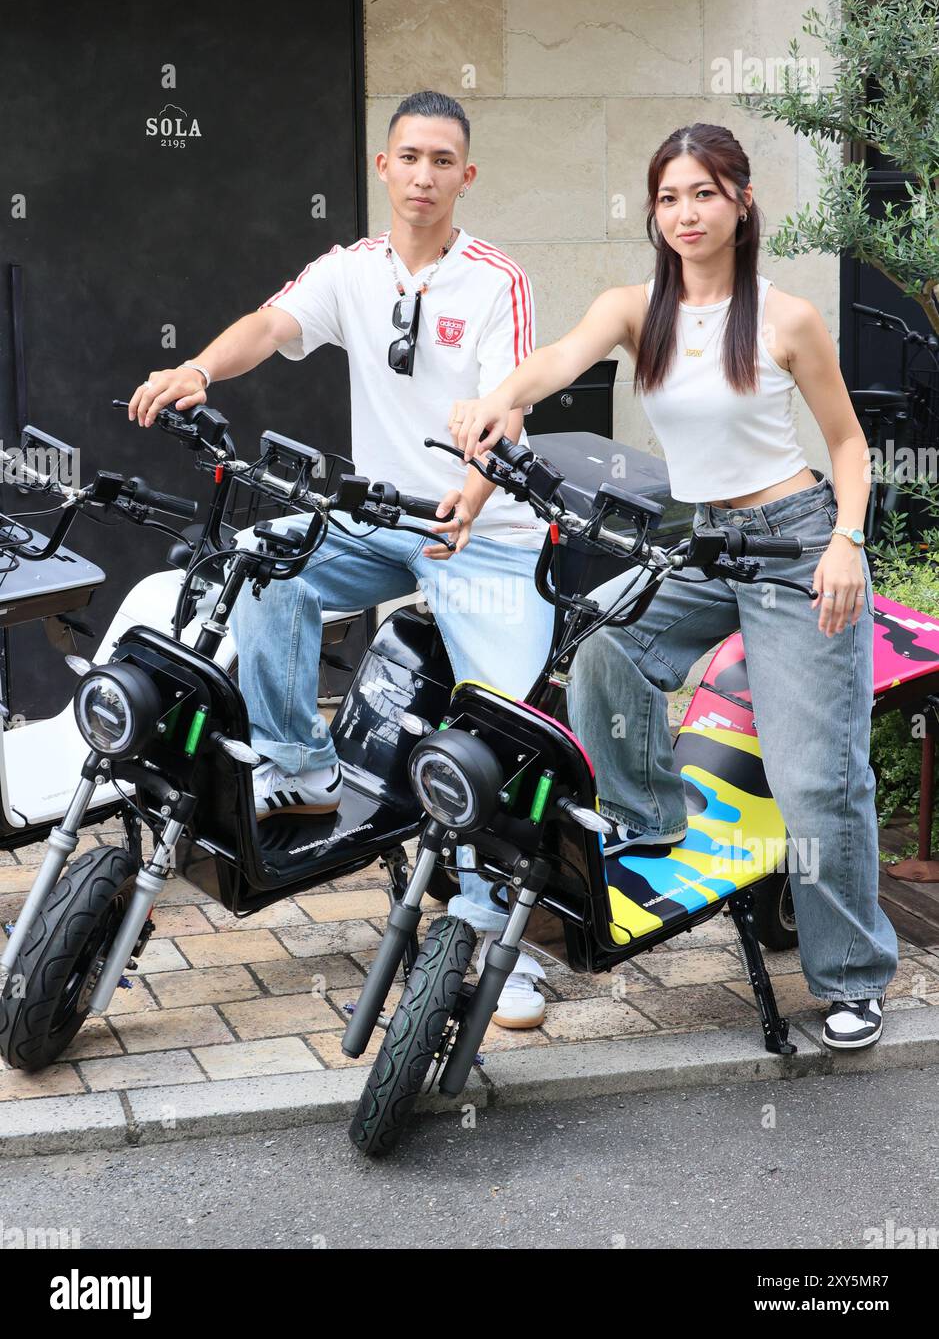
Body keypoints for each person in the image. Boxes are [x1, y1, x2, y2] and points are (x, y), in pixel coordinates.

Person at [447, 121, 898, 1051]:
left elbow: (848, 444)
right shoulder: (633, 307)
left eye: (703, 193)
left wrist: (846, 542)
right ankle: (649, 817)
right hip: (698, 540)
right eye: (667, 197)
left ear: (739, 202)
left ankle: (852, 978)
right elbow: (555, 361)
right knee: (603, 652)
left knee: (816, 778)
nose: (684, 213)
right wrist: (503, 400)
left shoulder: (786, 318)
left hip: (793, 543)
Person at [127, 90, 554, 1030]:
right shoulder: (351, 269)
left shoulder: (495, 280)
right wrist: (199, 368)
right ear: (383, 167)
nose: (423, 175)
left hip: (485, 534)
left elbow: (508, 407)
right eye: (408, 157)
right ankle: (299, 758)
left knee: (494, 729)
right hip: (386, 519)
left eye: (443, 160)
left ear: (465, 176)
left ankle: (492, 936)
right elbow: (272, 327)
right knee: (265, 553)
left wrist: (474, 495)